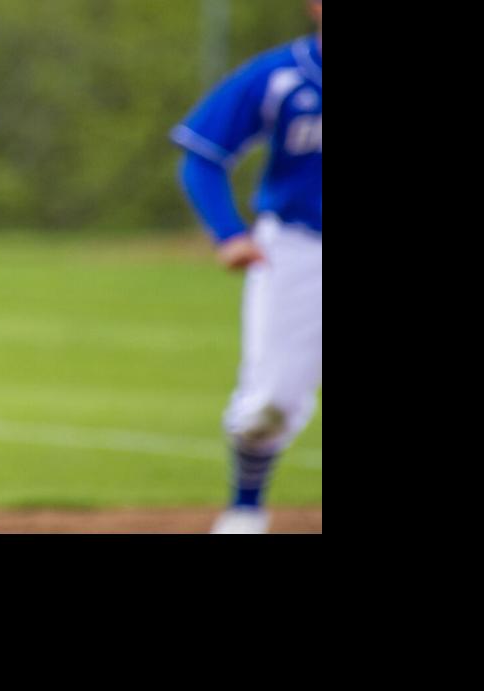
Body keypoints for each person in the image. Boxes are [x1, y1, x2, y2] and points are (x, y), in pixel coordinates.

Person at [171, 1, 322, 535]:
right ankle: (245, 507)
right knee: (271, 404)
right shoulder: (281, 75)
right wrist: (229, 233)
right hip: (299, 249)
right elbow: (203, 153)